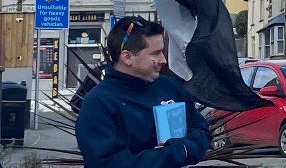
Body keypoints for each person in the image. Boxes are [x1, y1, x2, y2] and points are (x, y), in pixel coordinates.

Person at [75, 16, 211, 168]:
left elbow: (202, 131)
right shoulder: (98, 103)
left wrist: (184, 149)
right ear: (127, 57)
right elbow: (106, 163)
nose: (163, 60)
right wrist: (172, 154)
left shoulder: (172, 87)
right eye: (155, 53)